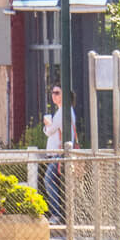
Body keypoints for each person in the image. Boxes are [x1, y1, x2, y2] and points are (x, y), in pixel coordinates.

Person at [41, 85, 74, 217]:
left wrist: (46, 125)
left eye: (57, 93)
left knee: (48, 180)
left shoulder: (63, 111)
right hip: (58, 154)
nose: (53, 95)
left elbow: (50, 130)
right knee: (55, 182)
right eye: (52, 92)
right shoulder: (63, 110)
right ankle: (61, 213)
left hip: (59, 155)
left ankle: (56, 213)